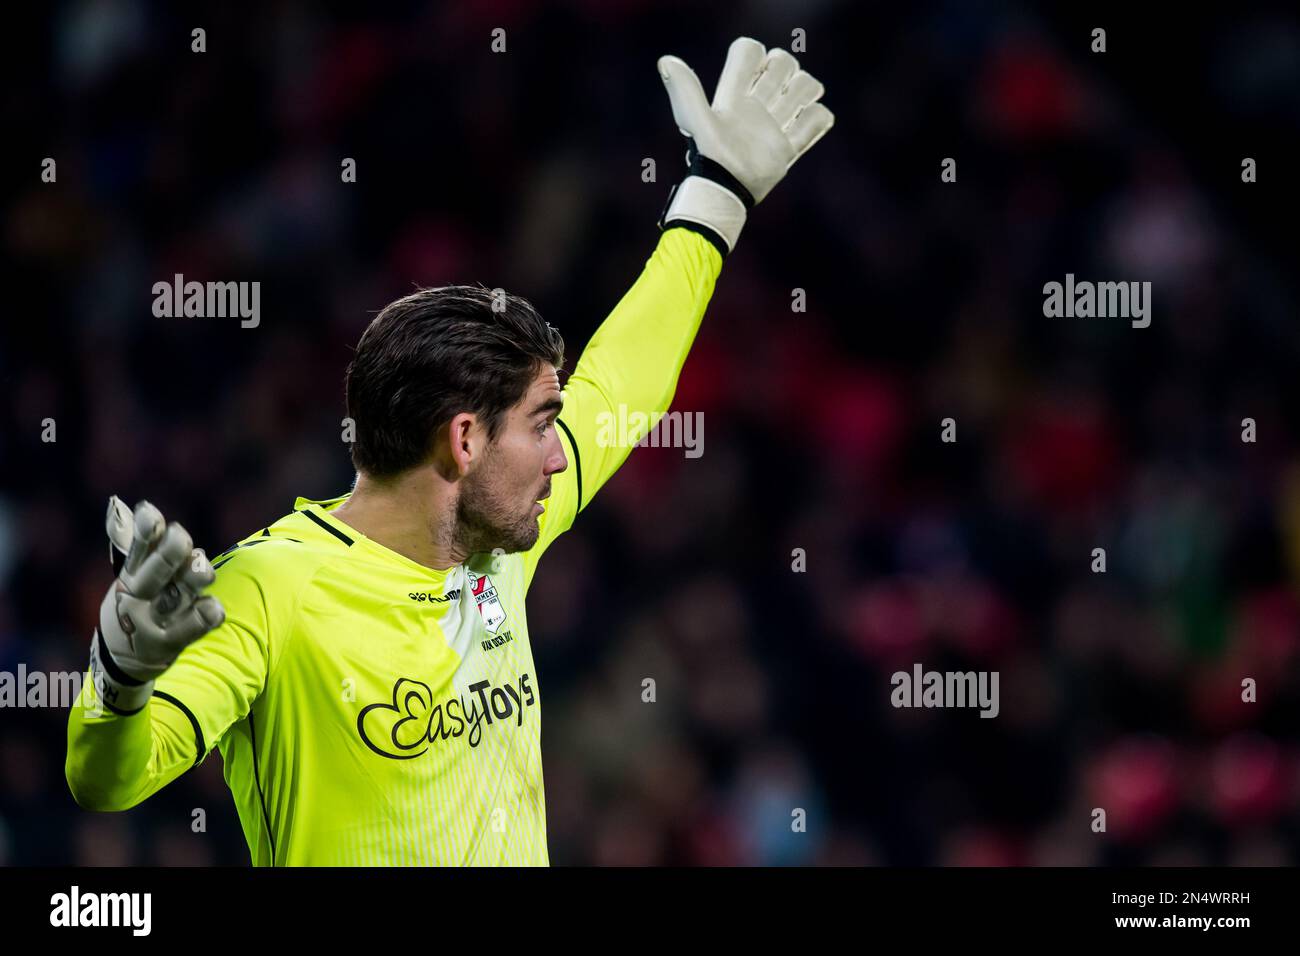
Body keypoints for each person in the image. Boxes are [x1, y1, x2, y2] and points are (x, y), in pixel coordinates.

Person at [65, 36, 834, 865]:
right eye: (542, 424)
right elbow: (111, 781)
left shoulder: (494, 543)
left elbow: (623, 388)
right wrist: (120, 679)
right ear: (463, 439)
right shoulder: (271, 589)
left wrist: (714, 196)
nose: (561, 455)